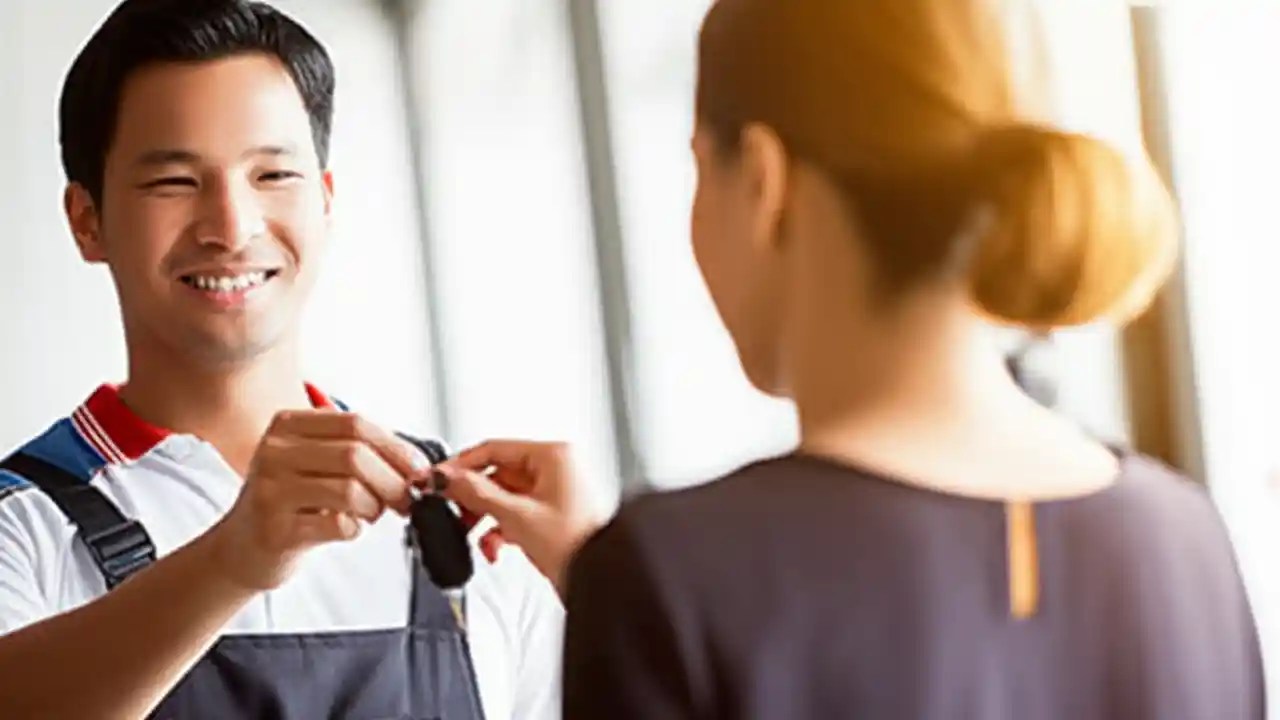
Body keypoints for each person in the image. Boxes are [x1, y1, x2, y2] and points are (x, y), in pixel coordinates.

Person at [431, 0, 1267, 718]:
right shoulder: (1186, 534)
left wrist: (637, 600)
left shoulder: (675, 574)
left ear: (763, 180)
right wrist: (624, 593)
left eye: (698, 168)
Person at [0, 1, 562, 718]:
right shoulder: (21, 526)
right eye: (174, 181)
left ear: (325, 202)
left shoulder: (469, 535)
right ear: (88, 221)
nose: (232, 228)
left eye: (272, 176)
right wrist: (233, 560)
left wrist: (604, 574)